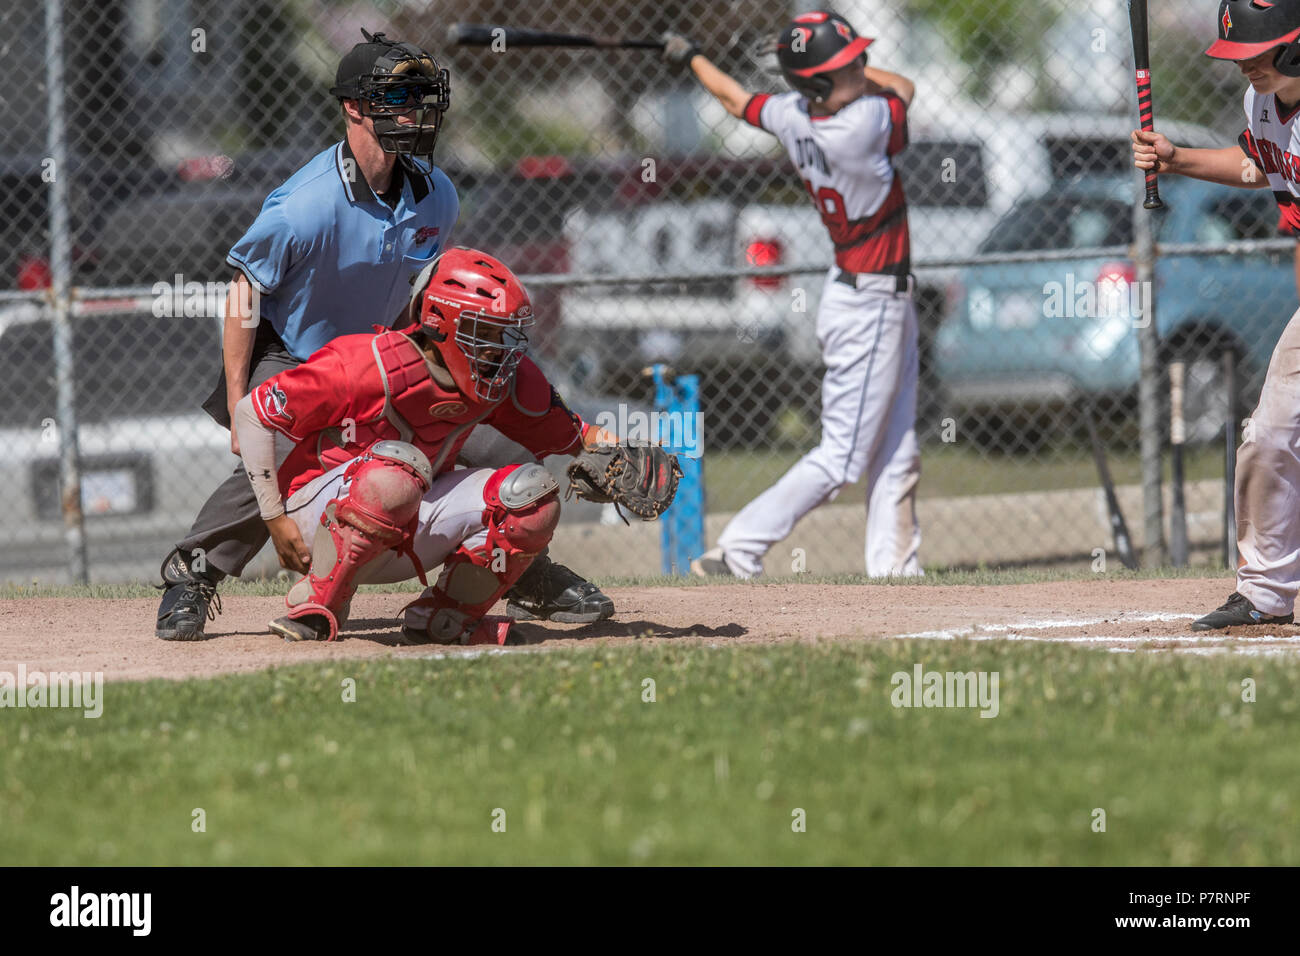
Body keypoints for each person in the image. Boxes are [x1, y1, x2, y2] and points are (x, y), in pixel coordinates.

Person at [156, 30, 612, 641]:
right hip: (297, 350)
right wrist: (240, 397)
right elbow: (245, 293)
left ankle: (518, 571)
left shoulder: (437, 194)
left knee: (484, 441)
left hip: (386, 350)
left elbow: (427, 288)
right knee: (280, 451)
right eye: (397, 95)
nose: (414, 110)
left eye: (421, 95)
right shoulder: (304, 206)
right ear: (353, 107)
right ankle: (192, 572)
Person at [234, 247, 629, 645]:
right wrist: (274, 519)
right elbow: (252, 414)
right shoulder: (362, 364)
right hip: (317, 521)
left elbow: (575, 434)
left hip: (402, 519)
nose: (498, 347)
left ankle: (444, 619)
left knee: (532, 497)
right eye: (484, 331)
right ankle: (317, 606)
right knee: (398, 472)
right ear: (439, 320)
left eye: (503, 332)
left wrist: (633, 452)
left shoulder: (499, 377)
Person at [662, 11, 923, 579]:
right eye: (848, 63)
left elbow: (734, 100)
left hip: (875, 296)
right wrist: (821, 70)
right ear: (821, 85)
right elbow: (904, 87)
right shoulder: (861, 126)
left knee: (899, 441)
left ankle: (897, 568)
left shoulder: (791, 113)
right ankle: (740, 548)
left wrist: (692, 58)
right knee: (843, 457)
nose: (859, 66)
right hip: (869, 303)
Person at [1133, 0, 1300, 630]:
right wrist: (1177, 158)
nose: (1242, 69)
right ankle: (1263, 593)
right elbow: (1261, 164)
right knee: (1269, 435)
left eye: (1254, 54)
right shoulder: (1265, 102)